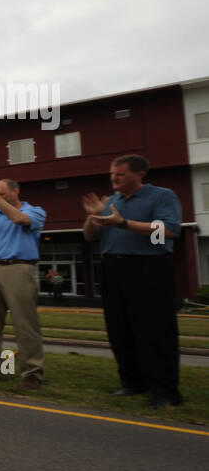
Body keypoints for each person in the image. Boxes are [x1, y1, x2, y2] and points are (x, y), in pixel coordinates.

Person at [83, 154, 184, 408]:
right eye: (112, 174)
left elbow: (168, 231)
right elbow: (89, 236)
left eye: (120, 174)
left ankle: (164, 392)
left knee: (154, 331)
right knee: (119, 329)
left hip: (149, 267)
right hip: (112, 268)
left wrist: (124, 223)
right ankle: (132, 383)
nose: (114, 179)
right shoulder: (111, 201)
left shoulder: (161, 196)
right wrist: (93, 217)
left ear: (139, 174)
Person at [0, 177, 47, 389]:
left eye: (2, 193)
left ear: (16, 191)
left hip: (19, 268)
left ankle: (32, 372)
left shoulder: (35, 211)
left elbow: (18, 219)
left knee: (24, 324)